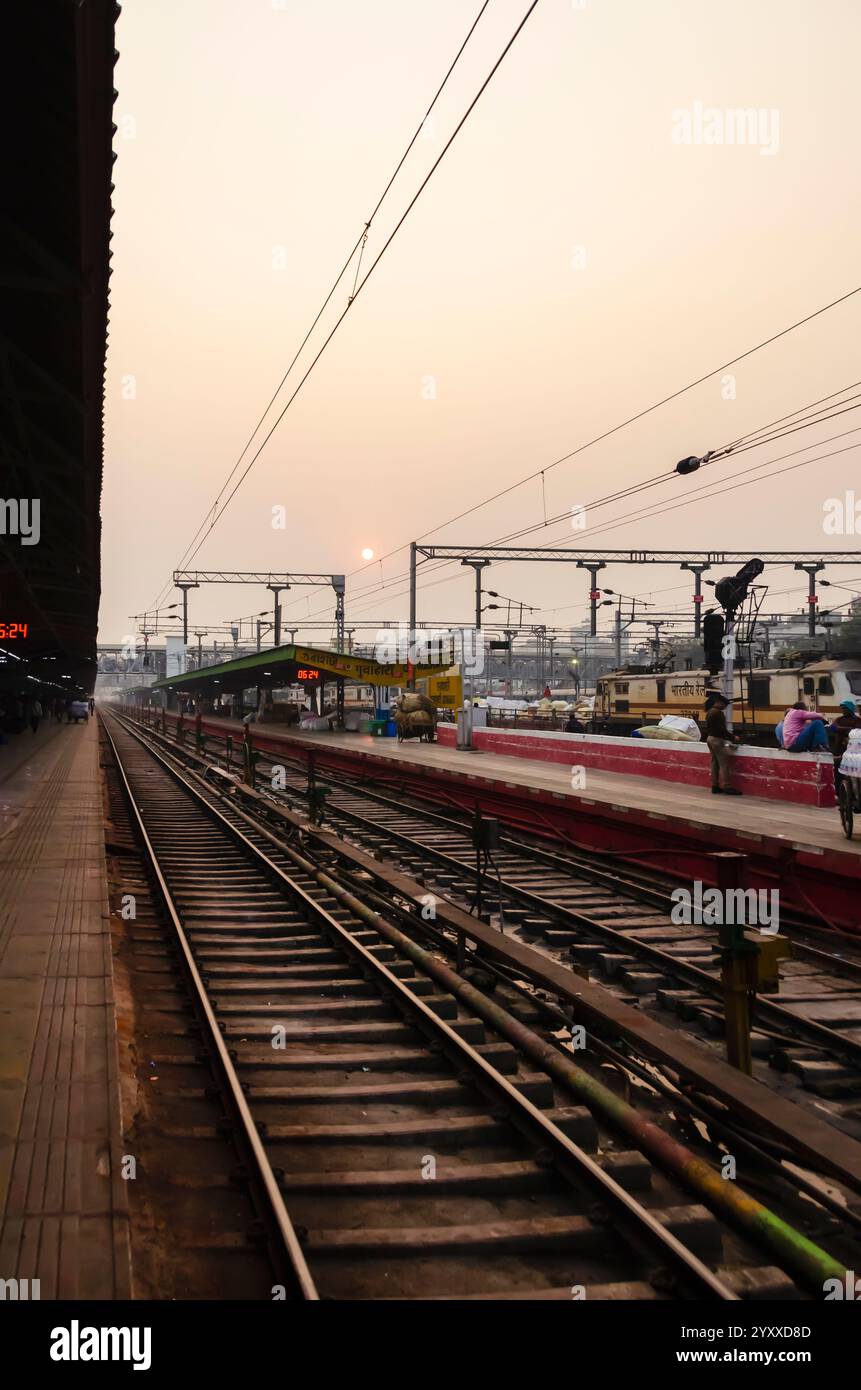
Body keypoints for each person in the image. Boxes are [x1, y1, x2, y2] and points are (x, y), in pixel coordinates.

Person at [704, 690, 742, 795]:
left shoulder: (710, 712)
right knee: (723, 763)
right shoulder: (718, 713)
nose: (725, 706)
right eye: (724, 704)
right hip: (717, 740)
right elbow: (722, 730)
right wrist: (733, 737)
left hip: (710, 738)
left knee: (714, 763)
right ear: (717, 703)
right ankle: (727, 786)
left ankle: (715, 785)